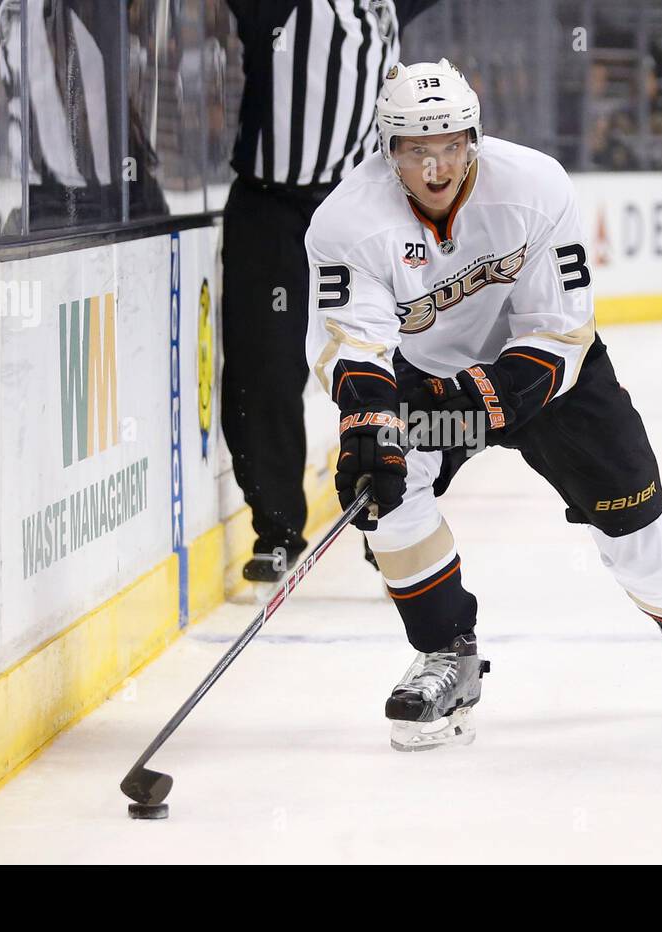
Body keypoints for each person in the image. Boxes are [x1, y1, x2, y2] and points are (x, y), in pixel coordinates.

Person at [305, 59, 662, 751]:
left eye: (450, 144)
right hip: (426, 378)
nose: (435, 166)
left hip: (547, 380)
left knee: (634, 524)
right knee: (386, 490)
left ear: (473, 137)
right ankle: (446, 655)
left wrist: (488, 395)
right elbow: (353, 345)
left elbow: (560, 329)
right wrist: (370, 424)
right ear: (387, 150)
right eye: (416, 149)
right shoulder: (346, 222)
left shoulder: (535, 185)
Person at [221, 0, 438, 593]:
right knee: (263, 368)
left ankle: (394, 515)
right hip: (272, 209)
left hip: (362, 209)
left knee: (397, 363)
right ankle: (278, 528)